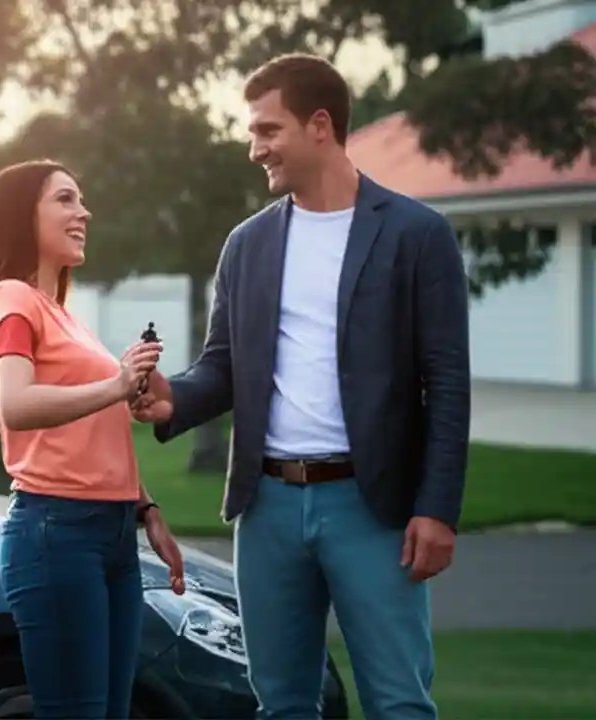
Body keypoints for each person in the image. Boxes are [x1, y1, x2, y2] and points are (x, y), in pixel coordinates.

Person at [133, 54, 470, 719]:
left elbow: (449, 384)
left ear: (320, 125)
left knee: (398, 702)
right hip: (268, 512)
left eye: (267, 130)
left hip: (373, 509)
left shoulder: (417, 236)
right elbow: (223, 367)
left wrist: (437, 508)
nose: (254, 148)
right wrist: (173, 397)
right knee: (281, 705)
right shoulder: (247, 245)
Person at [0, 159, 187, 720]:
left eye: (79, 200)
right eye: (64, 199)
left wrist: (145, 505)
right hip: (57, 535)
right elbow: (17, 404)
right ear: (21, 214)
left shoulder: (63, 315)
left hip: (109, 535)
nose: (82, 212)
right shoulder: (11, 298)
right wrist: (115, 384)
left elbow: (88, 429)